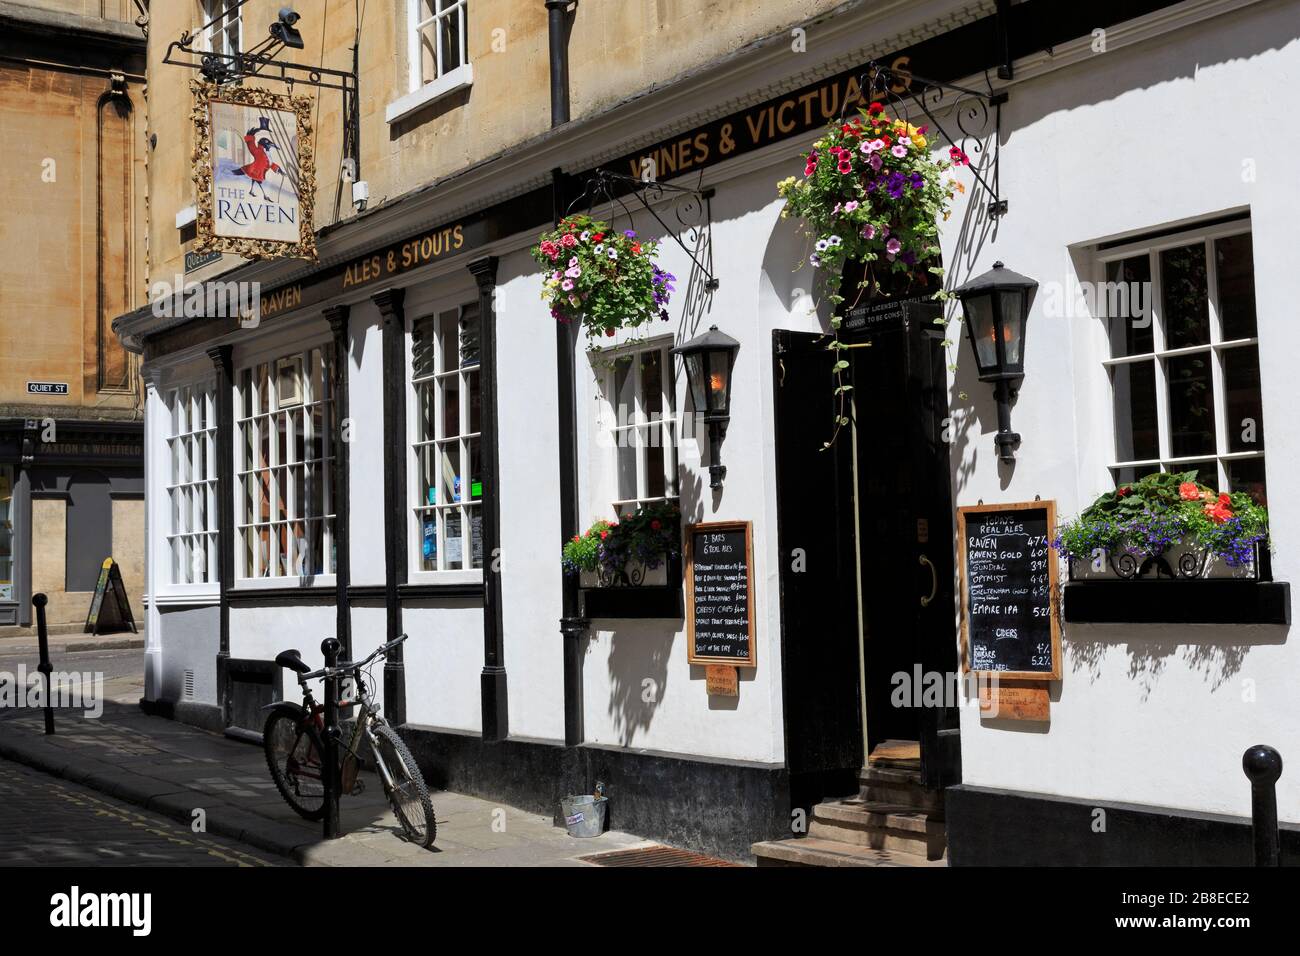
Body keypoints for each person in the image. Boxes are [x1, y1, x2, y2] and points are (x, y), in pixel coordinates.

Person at [230, 115, 281, 200]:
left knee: (255, 180)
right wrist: (254, 132)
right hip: (255, 170)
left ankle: (251, 191)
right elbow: (251, 145)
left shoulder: (266, 152)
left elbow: (270, 163)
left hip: (257, 171)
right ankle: (265, 195)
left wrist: (279, 169)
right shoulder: (258, 151)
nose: (270, 145)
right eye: (268, 143)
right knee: (258, 181)